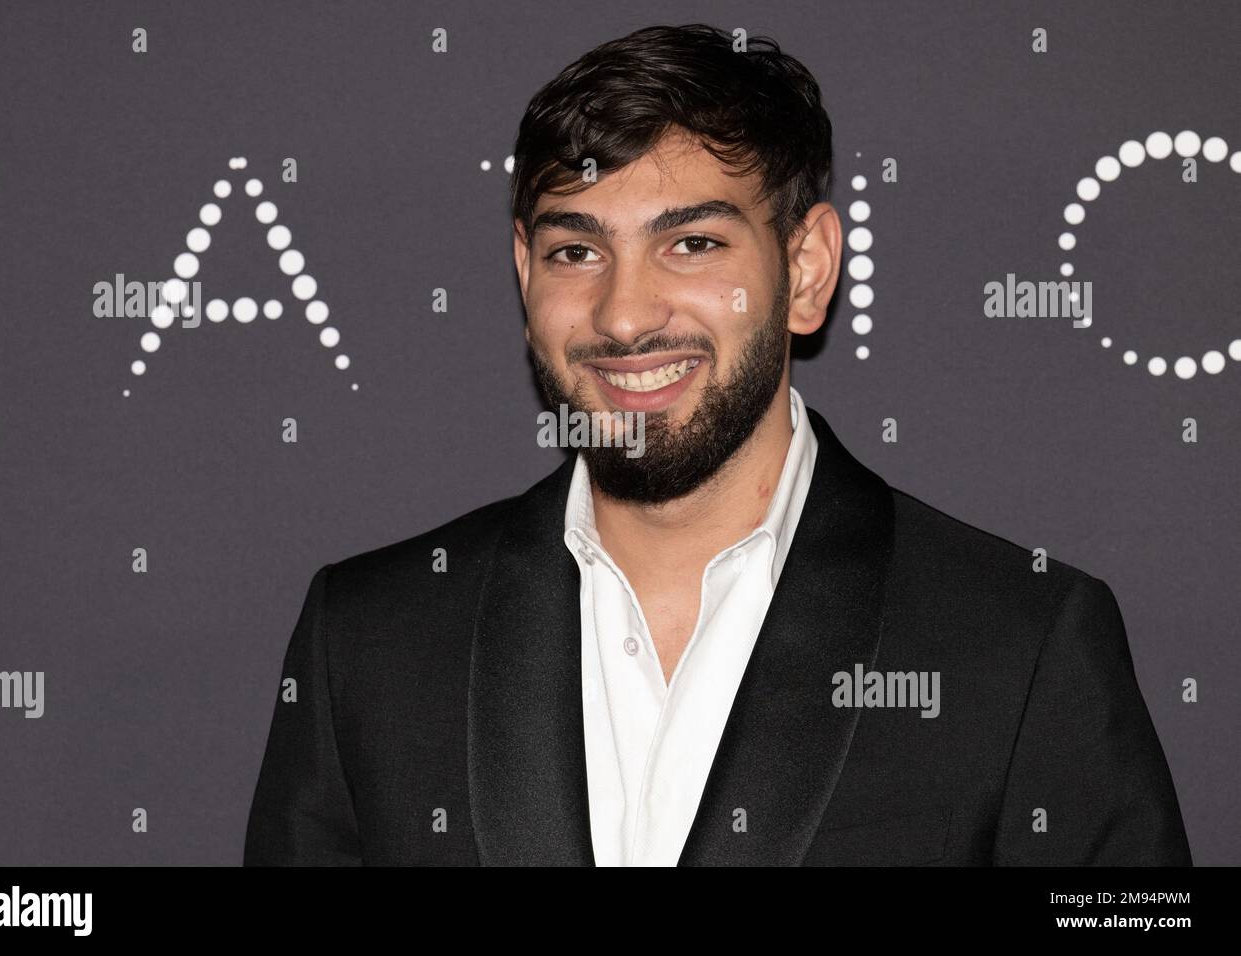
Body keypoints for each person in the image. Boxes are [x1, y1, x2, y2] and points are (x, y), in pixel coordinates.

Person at [244, 23, 1191, 866]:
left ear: (807, 268)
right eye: (578, 251)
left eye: (691, 243)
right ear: (525, 271)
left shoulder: (1018, 645)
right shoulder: (369, 642)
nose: (624, 314)